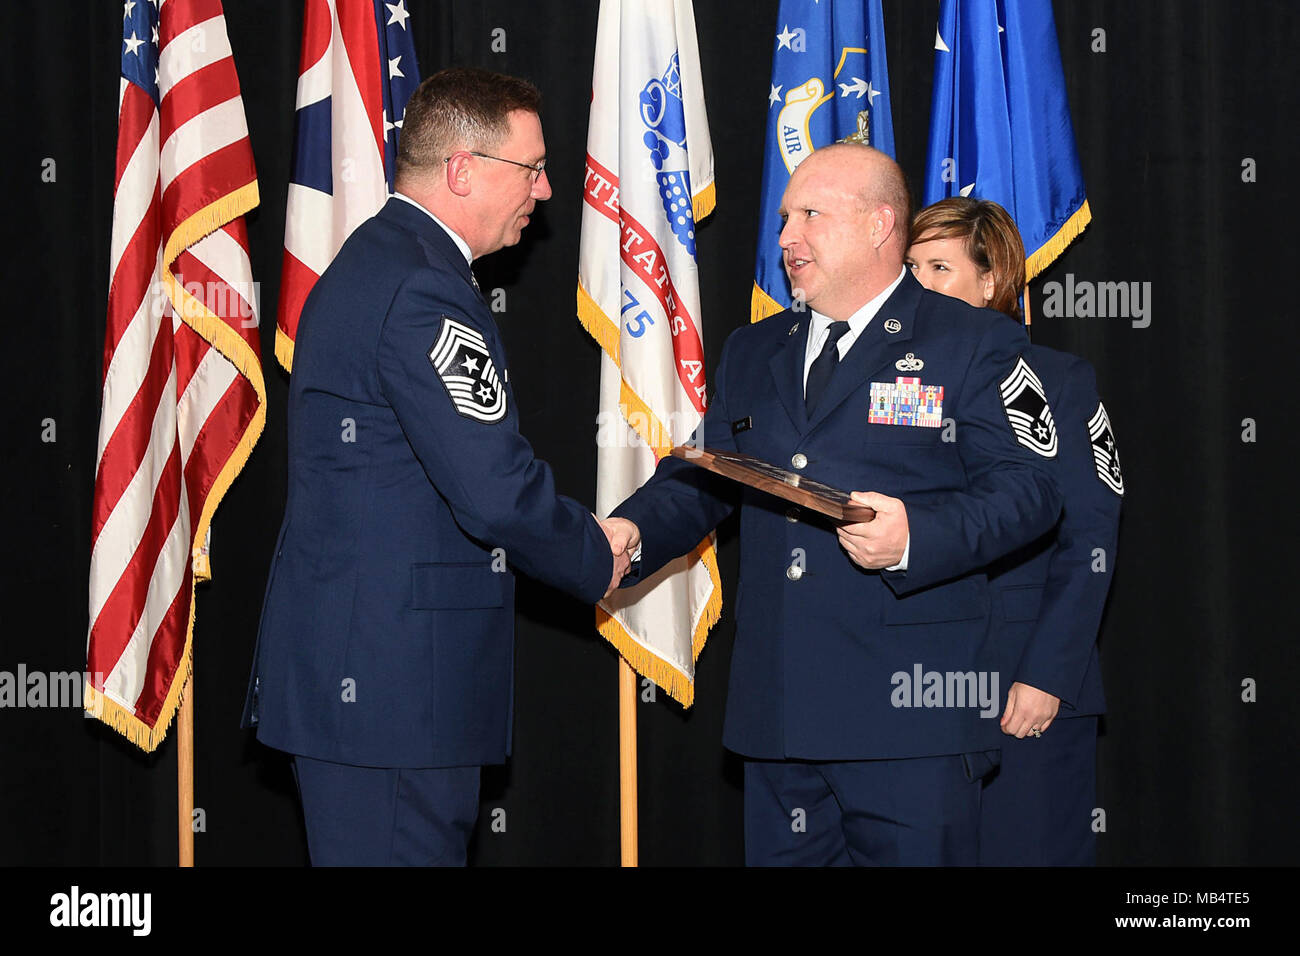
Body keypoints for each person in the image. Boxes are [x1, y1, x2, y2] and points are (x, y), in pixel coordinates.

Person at [601, 144, 1064, 866]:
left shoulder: (974, 343)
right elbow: (706, 475)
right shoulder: (754, 350)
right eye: (785, 218)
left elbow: (1032, 492)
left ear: (881, 224)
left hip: (912, 728)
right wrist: (628, 532)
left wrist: (918, 537)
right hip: (780, 724)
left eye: (810, 215)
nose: (787, 238)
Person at [241, 68, 628, 866]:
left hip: (368, 689)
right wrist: (595, 554)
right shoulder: (423, 287)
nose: (547, 190)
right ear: (463, 170)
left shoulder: (378, 261)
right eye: (531, 168)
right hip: (392, 698)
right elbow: (494, 491)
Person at [905, 197, 1123, 865]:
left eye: (939, 267)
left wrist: (1048, 675)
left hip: (1022, 685)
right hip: (913, 688)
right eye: (909, 267)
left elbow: (1090, 535)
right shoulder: (893, 382)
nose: (919, 285)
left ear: (993, 279)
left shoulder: (1055, 381)